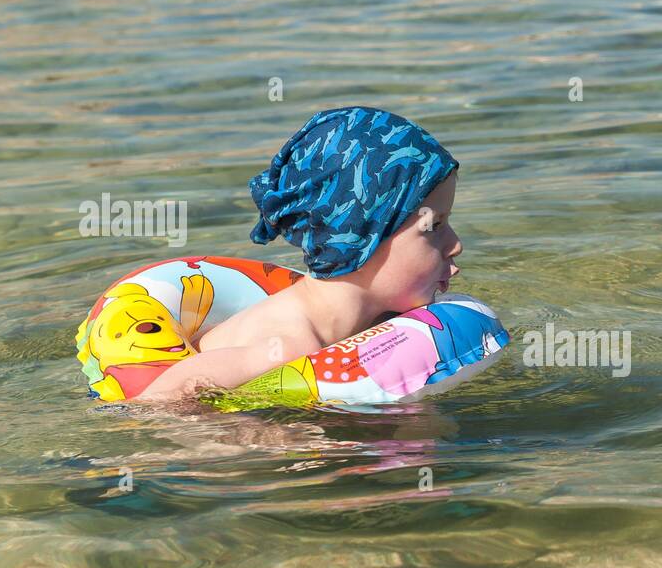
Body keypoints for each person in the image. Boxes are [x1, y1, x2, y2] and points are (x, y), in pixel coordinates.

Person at [138, 106, 463, 400]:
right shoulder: (286, 346)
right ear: (361, 237)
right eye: (434, 226)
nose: (457, 244)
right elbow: (160, 403)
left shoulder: (388, 325)